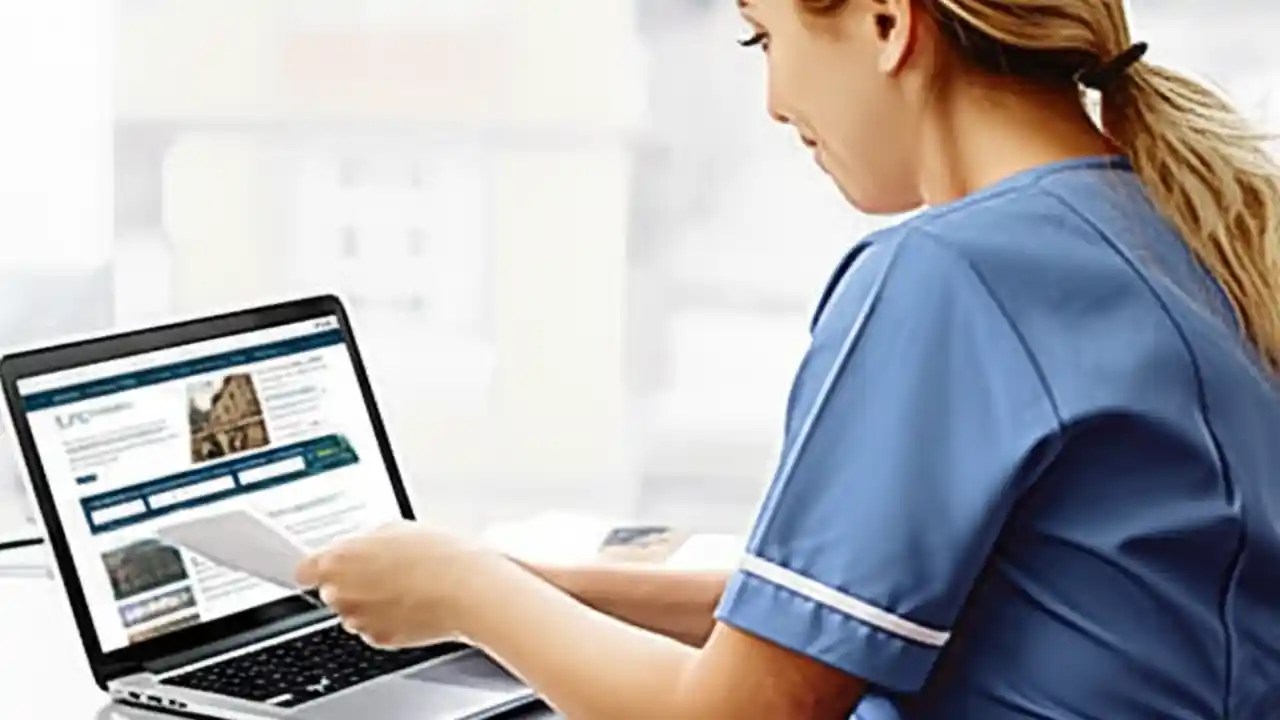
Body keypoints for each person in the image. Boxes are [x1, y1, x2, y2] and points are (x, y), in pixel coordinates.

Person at [295, 0, 1280, 717]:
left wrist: (466, 594)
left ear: (887, 23)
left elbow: (740, 713)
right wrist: (527, 578)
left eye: (762, 38)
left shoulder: (950, 277)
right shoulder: (1170, 229)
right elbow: (817, 622)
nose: (771, 102)